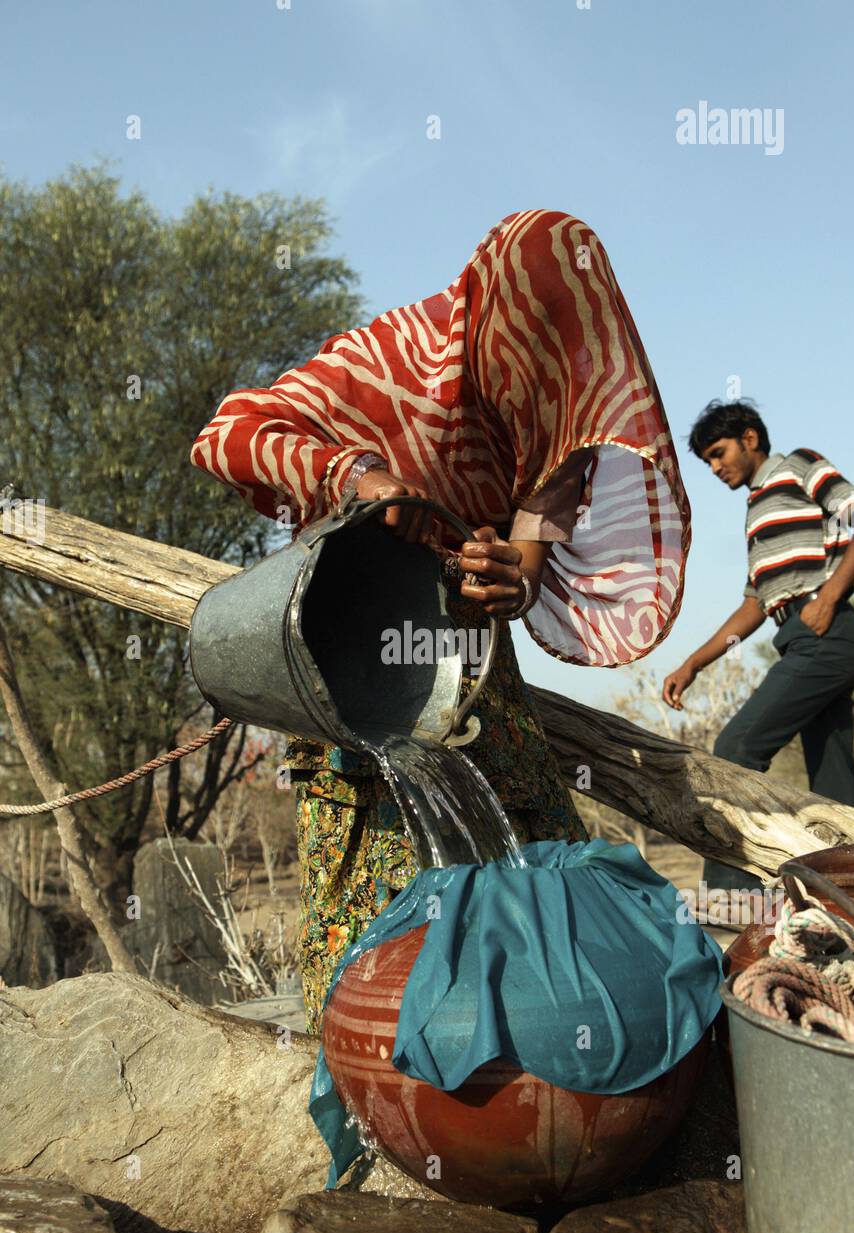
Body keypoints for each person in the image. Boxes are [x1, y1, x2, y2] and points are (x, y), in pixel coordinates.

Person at [191, 208, 690, 1034]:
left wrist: (506, 581)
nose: (534, 381)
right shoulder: (391, 355)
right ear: (490, 314)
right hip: (341, 656)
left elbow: (524, 569)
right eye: (522, 351)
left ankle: (528, 1061)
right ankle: (379, 1069)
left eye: (554, 363)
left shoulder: (564, 421)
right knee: (383, 912)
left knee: (530, 881)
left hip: (469, 672)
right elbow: (227, 434)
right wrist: (361, 476)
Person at [663, 398, 854, 896]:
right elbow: (756, 603)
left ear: (749, 438)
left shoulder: (797, 465)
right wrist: (694, 663)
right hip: (798, 636)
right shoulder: (757, 511)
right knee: (834, 784)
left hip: (826, 633)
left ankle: (733, 902)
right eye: (707, 461)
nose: (715, 468)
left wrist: (830, 595)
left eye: (718, 453)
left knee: (734, 750)